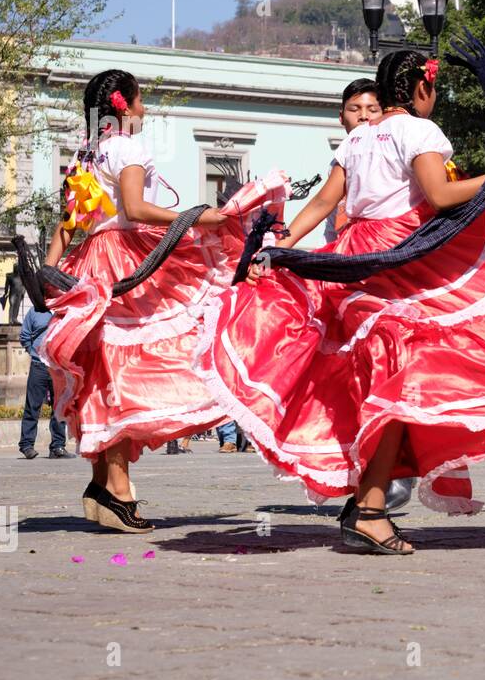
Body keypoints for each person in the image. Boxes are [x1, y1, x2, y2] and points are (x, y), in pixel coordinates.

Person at [197, 47, 485, 556]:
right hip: (400, 257)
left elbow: (322, 203)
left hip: (353, 256)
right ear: (422, 89)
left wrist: (281, 245)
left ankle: (366, 500)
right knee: (410, 378)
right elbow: (441, 197)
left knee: (373, 378)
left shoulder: (359, 136)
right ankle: (372, 509)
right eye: (434, 88)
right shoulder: (420, 132)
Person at [40, 69, 287, 533]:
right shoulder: (128, 147)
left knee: (103, 372)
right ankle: (116, 487)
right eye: (140, 99)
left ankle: (104, 483)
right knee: (129, 369)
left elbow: (68, 224)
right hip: (126, 257)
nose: (144, 108)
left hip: (89, 261)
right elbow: (134, 210)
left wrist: (50, 275)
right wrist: (198, 218)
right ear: (125, 103)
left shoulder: (85, 154)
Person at [324, 79, 383, 244]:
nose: (363, 116)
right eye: (354, 109)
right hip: (343, 252)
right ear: (341, 117)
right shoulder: (336, 163)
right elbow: (330, 214)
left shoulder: (390, 156)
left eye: (373, 110)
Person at [18, 305, 70, 459]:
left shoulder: (66, 309)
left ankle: (58, 446)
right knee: (32, 406)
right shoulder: (35, 311)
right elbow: (25, 335)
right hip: (39, 365)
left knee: (59, 407)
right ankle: (27, 445)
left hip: (59, 366)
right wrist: (33, 352)